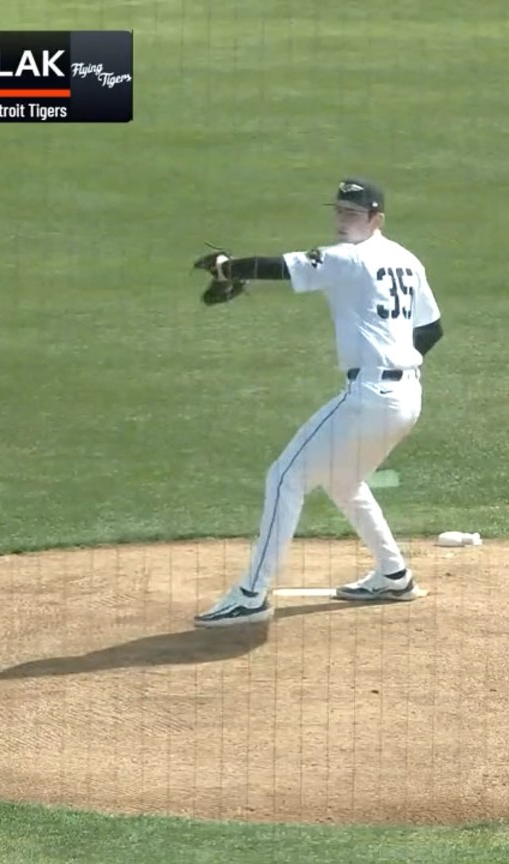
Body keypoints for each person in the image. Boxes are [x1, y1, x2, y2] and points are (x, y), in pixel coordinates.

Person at [192, 177, 445, 627]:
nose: (343, 221)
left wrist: (228, 267)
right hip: (406, 396)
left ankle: (251, 594)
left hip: (371, 397)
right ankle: (394, 575)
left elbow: (284, 267)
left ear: (376, 219)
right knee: (344, 482)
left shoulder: (350, 259)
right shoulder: (407, 260)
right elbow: (431, 330)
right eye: (340, 211)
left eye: (354, 214)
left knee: (284, 478)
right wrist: (397, 360)